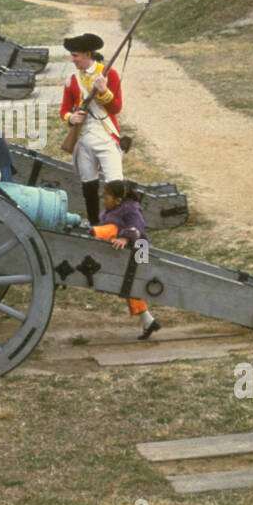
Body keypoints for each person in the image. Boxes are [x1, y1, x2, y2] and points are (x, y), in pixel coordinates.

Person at [61, 32, 123, 225]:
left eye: (75, 55)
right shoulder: (72, 79)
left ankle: (117, 223)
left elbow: (116, 107)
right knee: (89, 185)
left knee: (115, 184)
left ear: (88, 54)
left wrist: (104, 91)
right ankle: (96, 225)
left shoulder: (109, 74)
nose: (72, 59)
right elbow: (64, 110)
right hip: (84, 138)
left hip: (106, 134)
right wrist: (72, 118)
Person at [91, 181, 160, 339]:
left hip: (140, 249)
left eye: (105, 198)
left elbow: (136, 227)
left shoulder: (131, 210)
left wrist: (125, 238)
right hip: (133, 249)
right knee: (130, 285)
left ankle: (148, 320)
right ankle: (148, 321)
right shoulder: (115, 209)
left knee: (134, 283)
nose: (103, 200)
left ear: (118, 200)